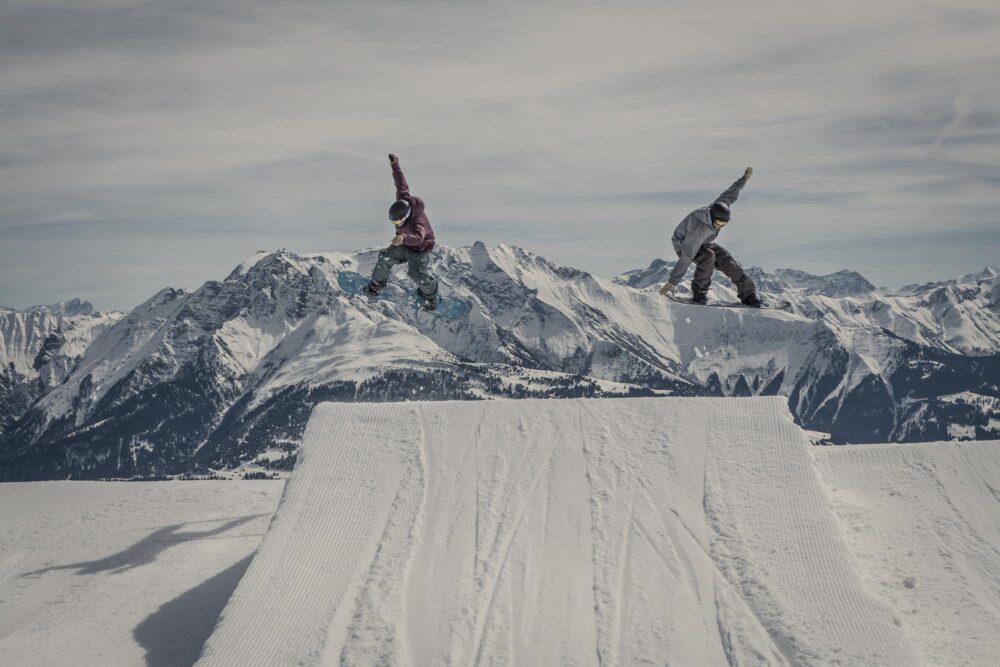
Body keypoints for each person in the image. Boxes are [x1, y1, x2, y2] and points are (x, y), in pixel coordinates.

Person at [659, 167, 762, 307]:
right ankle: (699, 293)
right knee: (708, 256)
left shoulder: (719, 206)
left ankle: (748, 295)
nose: (720, 226)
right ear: (712, 218)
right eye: (719, 223)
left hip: (703, 243)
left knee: (726, 259)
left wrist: (744, 178)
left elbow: (731, 192)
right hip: (683, 245)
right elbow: (686, 257)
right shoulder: (699, 229)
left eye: (724, 224)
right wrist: (672, 283)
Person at [366, 154, 439, 311]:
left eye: (398, 222)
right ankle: (377, 284)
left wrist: (403, 237)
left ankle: (431, 298)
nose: (396, 225)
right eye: (394, 222)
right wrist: (395, 165)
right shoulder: (404, 200)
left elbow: (419, 238)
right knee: (385, 257)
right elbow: (401, 184)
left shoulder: (418, 221)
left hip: (419, 249)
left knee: (417, 275)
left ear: (406, 216)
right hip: (404, 244)